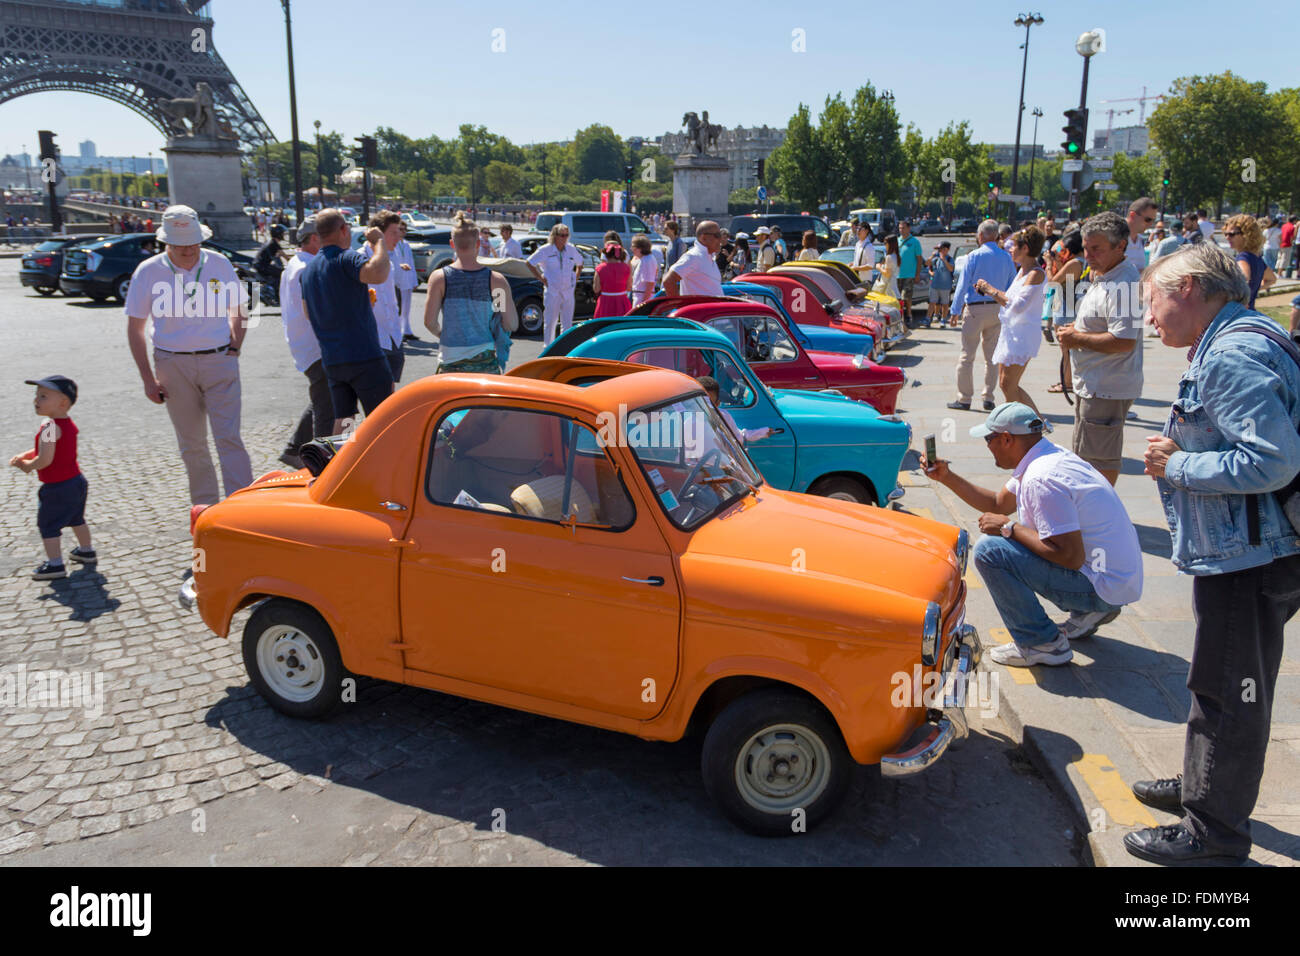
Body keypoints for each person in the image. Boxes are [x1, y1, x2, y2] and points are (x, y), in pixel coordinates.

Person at [1129, 241, 1300, 865]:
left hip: (1251, 557)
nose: (1149, 317)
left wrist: (1180, 464)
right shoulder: (1245, 335)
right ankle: (1204, 783)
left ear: (1193, 289)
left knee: (1232, 692)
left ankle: (1213, 836)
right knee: (1219, 682)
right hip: (1254, 548)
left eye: (1153, 300)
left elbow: (1273, 460)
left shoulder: (1230, 355)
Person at [921, 402, 1141, 667]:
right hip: (1116, 579)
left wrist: (1009, 528)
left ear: (1006, 438)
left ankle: (1042, 643)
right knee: (1008, 542)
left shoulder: (1041, 477)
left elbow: (1069, 556)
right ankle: (1088, 612)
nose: (987, 445)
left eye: (989, 439)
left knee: (990, 550)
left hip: (1102, 585)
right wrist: (947, 477)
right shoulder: (1047, 455)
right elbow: (998, 503)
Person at [125, 205, 253, 506]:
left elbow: (242, 308)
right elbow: (135, 328)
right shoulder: (148, 271)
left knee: (229, 438)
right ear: (165, 242)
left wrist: (235, 346)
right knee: (192, 445)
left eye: (193, 243)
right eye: (180, 245)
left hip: (219, 358)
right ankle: (205, 510)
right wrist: (147, 378)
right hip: (172, 364)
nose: (188, 250)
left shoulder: (220, 263)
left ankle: (243, 509)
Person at [1055, 211, 1143, 486]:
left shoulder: (1124, 284)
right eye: (1086, 248)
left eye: (1096, 249)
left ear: (1120, 247)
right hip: (1095, 383)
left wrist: (1076, 338)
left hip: (1106, 385)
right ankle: (1091, 512)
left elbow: (1124, 341)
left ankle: (1099, 517)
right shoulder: (1105, 275)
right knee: (1086, 456)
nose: (1088, 255)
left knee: (1099, 461)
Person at [299, 208, 394, 435]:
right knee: (383, 418)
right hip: (364, 358)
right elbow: (378, 273)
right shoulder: (346, 257)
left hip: (334, 360)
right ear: (342, 229)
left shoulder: (309, 269)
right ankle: (380, 466)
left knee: (344, 420)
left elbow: (307, 312)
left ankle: (341, 463)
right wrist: (379, 242)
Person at [10, 375, 95, 581]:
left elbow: (46, 458)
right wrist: (27, 453)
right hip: (76, 482)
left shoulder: (48, 427)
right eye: (37, 396)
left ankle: (55, 565)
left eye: (43, 396)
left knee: (48, 525)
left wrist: (29, 465)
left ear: (63, 402)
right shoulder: (65, 424)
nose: (36, 400)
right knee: (77, 518)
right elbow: (51, 449)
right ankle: (86, 550)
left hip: (57, 487)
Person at [424, 214, 517, 373]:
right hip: (485, 361)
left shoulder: (439, 278)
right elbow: (511, 323)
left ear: (452, 244)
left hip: (450, 361)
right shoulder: (496, 281)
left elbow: (429, 322)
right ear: (478, 243)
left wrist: (444, 334)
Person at [278, 217, 331, 467]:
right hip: (316, 345)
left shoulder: (296, 264)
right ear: (313, 239)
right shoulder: (307, 267)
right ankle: (320, 460)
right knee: (327, 403)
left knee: (323, 397)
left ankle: (294, 449)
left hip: (306, 343)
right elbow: (317, 310)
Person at [947, 219, 1016, 412]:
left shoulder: (974, 256)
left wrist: (954, 310)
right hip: (997, 309)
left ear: (980, 236)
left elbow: (962, 285)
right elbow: (1012, 286)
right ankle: (988, 396)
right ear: (996, 236)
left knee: (967, 355)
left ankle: (964, 398)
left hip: (975, 309)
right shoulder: (1006, 257)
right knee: (992, 357)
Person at [981, 226, 1047, 414]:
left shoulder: (1035, 273)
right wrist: (991, 290)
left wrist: (989, 290)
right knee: (1005, 384)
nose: (1010, 249)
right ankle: (1035, 424)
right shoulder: (1023, 272)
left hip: (1023, 334)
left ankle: (1025, 427)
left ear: (1025, 248)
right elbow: (1009, 298)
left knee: (1008, 385)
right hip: (1012, 332)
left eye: (1013, 246)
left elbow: (1017, 306)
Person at [356, 211, 407, 383]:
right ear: (377, 234)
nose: (398, 237)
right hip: (371, 339)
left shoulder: (389, 262)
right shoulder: (358, 260)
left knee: (389, 394)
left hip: (393, 335)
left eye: (399, 231)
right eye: (393, 232)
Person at [526, 223, 584, 348]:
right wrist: (540, 278)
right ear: (555, 235)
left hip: (568, 290)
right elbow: (530, 263)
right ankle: (548, 347)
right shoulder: (545, 250)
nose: (564, 238)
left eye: (566, 235)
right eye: (562, 235)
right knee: (550, 321)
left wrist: (576, 277)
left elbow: (580, 262)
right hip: (552, 290)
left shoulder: (571, 249)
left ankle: (566, 347)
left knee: (567, 322)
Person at [1045, 229, 1086, 396]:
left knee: (1066, 351)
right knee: (1068, 350)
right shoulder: (1081, 262)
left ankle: (1067, 383)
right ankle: (1066, 380)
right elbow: (1066, 278)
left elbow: (1052, 282)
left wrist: (1048, 264)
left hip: (1066, 308)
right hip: (1071, 306)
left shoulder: (1074, 263)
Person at [698, 375, 772, 445]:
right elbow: (738, 438)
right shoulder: (723, 415)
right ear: (718, 403)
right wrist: (761, 432)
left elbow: (692, 453)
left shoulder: (688, 417)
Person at [1223, 213, 1275, 309]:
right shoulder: (1257, 258)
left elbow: (1244, 283)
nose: (1227, 237)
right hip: (1250, 311)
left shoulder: (1243, 258)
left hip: (1238, 313)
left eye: (1232, 234)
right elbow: (1272, 279)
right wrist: (1254, 289)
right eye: (1225, 234)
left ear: (1246, 235)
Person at [663, 220, 724, 297]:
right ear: (704, 238)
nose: (720, 239)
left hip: (712, 308)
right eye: (717, 235)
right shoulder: (693, 256)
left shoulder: (708, 256)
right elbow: (668, 281)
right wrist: (678, 305)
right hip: (701, 309)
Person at [392, 221, 419, 342]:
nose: (403, 232)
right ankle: (399, 331)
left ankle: (407, 330)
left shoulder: (406, 244)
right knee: (399, 307)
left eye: (404, 230)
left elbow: (411, 262)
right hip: (398, 280)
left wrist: (414, 281)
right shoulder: (393, 244)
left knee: (406, 308)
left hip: (408, 279)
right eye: (400, 229)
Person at [592, 241, 633, 317]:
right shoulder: (626, 267)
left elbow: (596, 289)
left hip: (605, 301)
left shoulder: (600, 268)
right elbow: (629, 287)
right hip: (622, 301)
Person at [896, 220, 924, 323]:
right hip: (897, 275)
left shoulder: (915, 242)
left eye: (903, 228)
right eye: (900, 228)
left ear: (909, 228)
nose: (901, 230)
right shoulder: (897, 241)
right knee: (898, 298)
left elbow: (919, 259)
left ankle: (908, 314)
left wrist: (917, 274)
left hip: (909, 274)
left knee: (905, 296)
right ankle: (900, 316)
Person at [1125, 197, 1158, 272]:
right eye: (1148, 220)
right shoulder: (1113, 237)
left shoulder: (1140, 240)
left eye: (1153, 220)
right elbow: (1097, 273)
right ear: (1132, 215)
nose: (1150, 224)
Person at [927, 241, 954, 328]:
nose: (939, 251)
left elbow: (951, 269)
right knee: (932, 302)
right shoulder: (935, 258)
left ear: (947, 249)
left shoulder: (950, 259)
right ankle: (928, 318)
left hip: (945, 286)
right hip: (935, 285)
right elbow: (927, 264)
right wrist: (931, 256)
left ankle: (943, 319)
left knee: (945, 304)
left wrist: (944, 260)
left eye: (941, 249)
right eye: (938, 249)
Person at [630, 235, 658, 306]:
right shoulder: (644, 259)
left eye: (633, 247)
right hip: (639, 296)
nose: (631, 249)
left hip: (642, 297)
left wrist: (643, 304)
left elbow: (650, 283)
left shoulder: (648, 260)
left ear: (640, 248)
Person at [850, 220, 877, 286]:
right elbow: (858, 261)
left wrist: (855, 268)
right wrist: (851, 264)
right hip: (856, 279)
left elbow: (870, 265)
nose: (858, 231)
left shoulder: (869, 247)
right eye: (857, 228)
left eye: (860, 229)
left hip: (865, 281)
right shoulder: (857, 244)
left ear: (866, 231)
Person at [875, 234, 900, 299]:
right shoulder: (897, 256)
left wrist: (878, 267)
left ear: (890, 244)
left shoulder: (889, 257)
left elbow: (887, 274)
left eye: (885, 243)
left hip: (888, 290)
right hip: (893, 287)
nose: (884, 245)